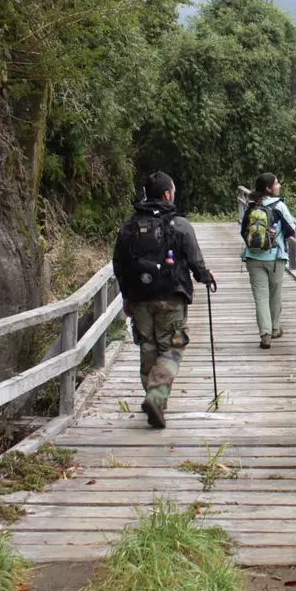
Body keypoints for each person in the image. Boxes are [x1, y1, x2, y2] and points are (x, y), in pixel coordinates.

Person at [112, 171, 216, 429]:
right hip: (171, 296)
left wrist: (126, 296)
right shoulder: (179, 224)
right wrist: (206, 277)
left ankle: (153, 396)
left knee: (148, 347)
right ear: (167, 194)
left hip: (139, 297)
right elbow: (194, 260)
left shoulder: (129, 226)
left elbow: (119, 265)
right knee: (171, 347)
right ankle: (156, 397)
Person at [240, 172, 296, 349]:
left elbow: (244, 231)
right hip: (275, 258)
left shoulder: (251, 206)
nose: (279, 186)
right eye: (277, 183)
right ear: (268, 188)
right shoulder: (279, 206)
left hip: (253, 257)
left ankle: (265, 334)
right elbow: (291, 229)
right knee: (275, 295)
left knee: (260, 297)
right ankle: (274, 328)